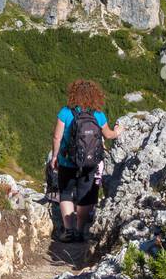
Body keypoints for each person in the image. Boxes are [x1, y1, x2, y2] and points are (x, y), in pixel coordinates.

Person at [48, 79, 120, 243]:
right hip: (90, 163)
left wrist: (54, 157)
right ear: (95, 96)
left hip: (67, 162)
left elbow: (57, 137)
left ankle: (69, 231)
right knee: (85, 197)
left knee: (65, 193)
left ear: (74, 94)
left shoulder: (65, 112)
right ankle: (80, 231)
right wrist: (118, 130)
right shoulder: (98, 115)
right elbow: (108, 135)